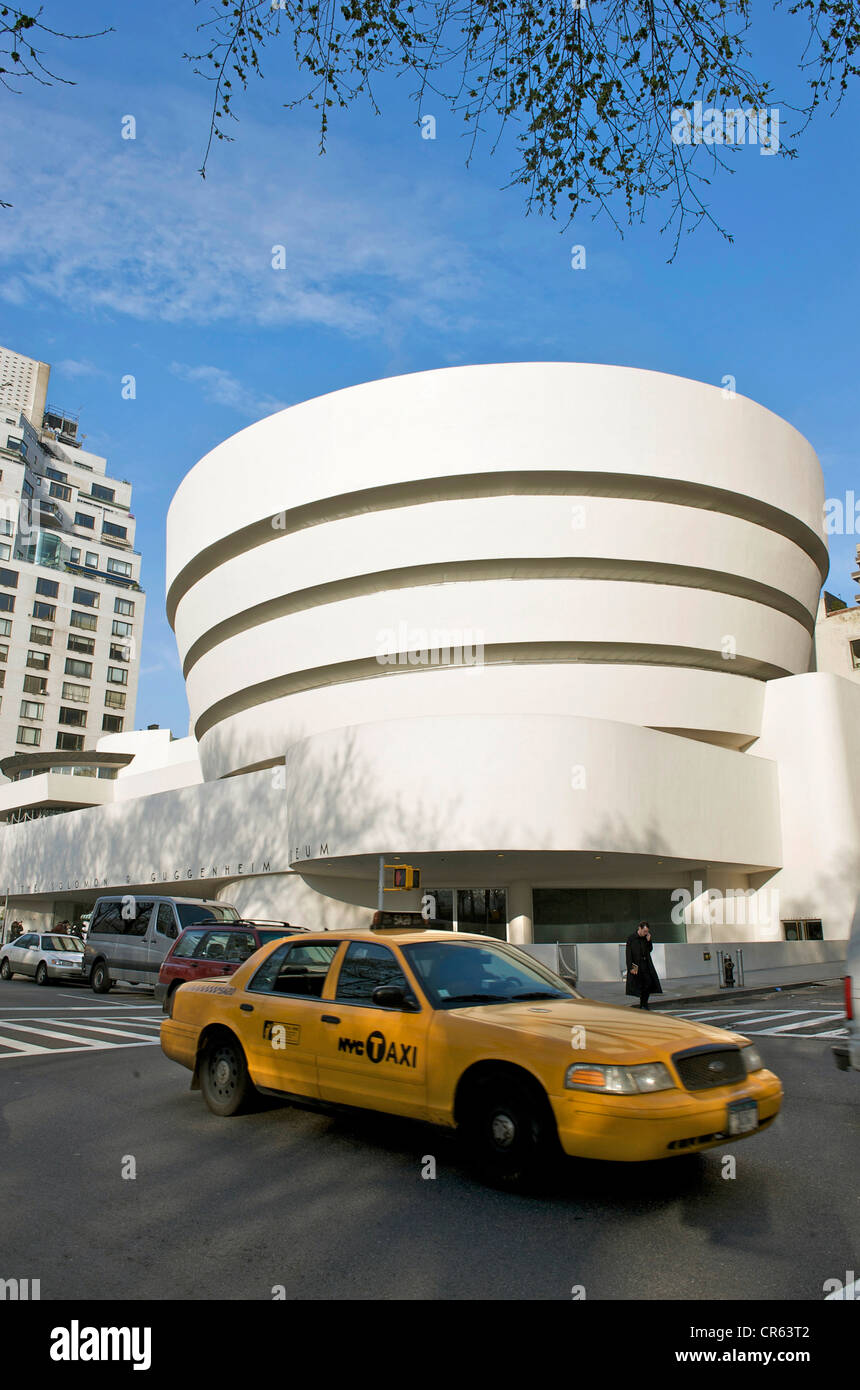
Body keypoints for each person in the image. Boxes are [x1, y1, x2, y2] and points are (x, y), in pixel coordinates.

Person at [625, 921, 662, 1010]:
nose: (645, 933)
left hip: (646, 964)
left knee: (648, 983)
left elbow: (650, 949)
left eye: (647, 931)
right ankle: (643, 1004)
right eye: (644, 931)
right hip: (636, 965)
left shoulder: (646, 938)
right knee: (639, 984)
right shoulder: (632, 938)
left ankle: (644, 1003)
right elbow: (628, 954)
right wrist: (631, 967)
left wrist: (649, 941)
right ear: (640, 928)